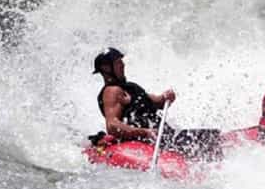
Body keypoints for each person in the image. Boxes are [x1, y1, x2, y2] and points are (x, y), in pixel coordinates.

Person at [91, 47, 221, 160]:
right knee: (208, 141)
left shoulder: (130, 87)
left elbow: (155, 101)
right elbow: (112, 125)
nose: (123, 65)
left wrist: (165, 97)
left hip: (162, 135)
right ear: (106, 68)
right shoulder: (111, 91)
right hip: (147, 139)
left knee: (210, 137)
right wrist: (145, 132)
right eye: (118, 63)